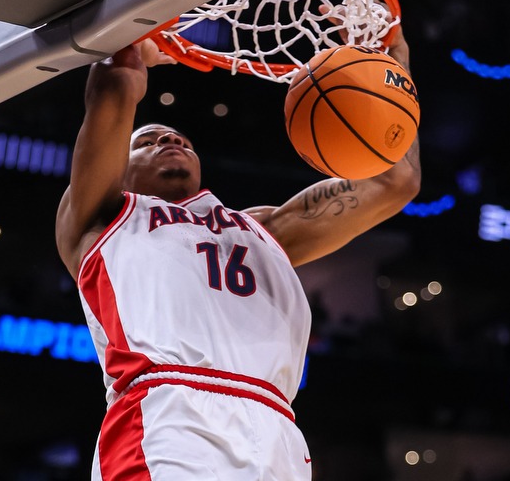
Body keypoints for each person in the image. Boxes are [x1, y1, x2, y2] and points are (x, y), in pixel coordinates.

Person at [54, 25, 420, 480]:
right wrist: (129, 44)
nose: (171, 141)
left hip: (276, 431)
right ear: (116, 165)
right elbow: (111, 94)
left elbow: (395, 182)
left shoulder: (263, 228)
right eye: (147, 142)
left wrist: (388, 68)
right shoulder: (101, 218)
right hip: (169, 417)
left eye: (181, 140)